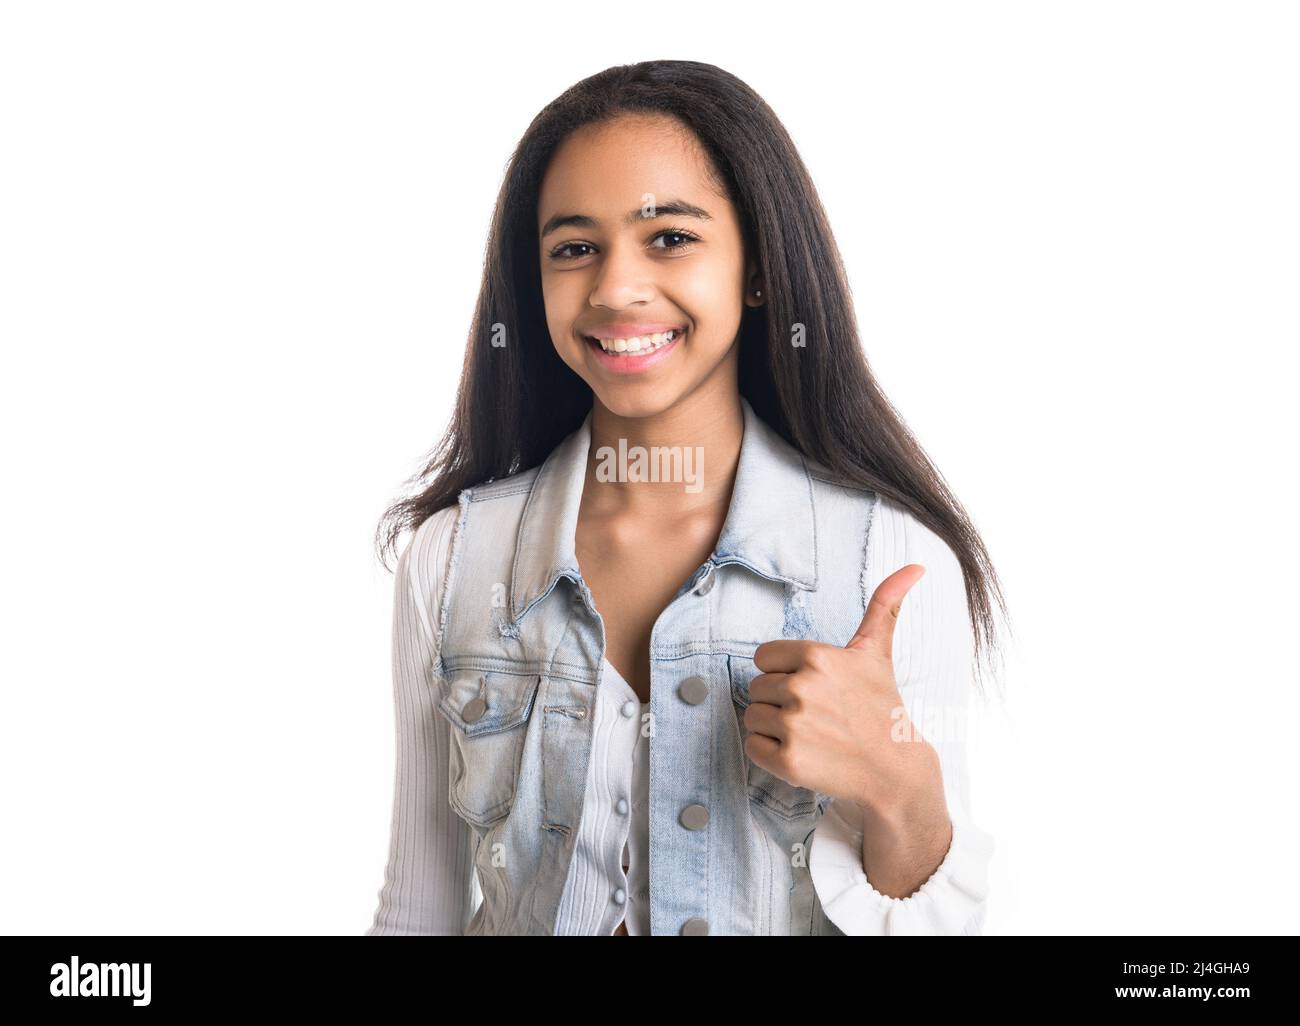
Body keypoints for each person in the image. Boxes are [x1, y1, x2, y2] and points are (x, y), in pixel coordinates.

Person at [365, 60, 1005, 936]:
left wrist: (899, 783)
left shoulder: (888, 561)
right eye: (574, 248)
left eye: (669, 237)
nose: (614, 289)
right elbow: (417, 910)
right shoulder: (449, 561)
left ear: (757, 269)